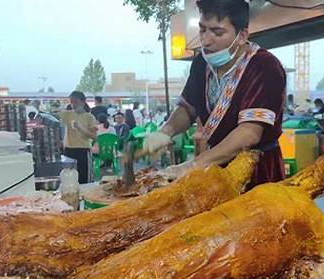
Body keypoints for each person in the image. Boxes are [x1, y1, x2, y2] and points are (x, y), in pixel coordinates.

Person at [135, 0, 286, 187]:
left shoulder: (264, 66)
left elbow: (249, 133)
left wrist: (194, 165)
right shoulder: (201, 64)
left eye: (217, 32)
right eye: (202, 30)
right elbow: (188, 108)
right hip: (215, 167)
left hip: (258, 172)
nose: (205, 40)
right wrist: (166, 131)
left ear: (242, 35)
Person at [58, 91, 98, 184]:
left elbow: (95, 137)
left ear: (83, 102)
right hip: (68, 150)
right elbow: (53, 122)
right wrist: (58, 140)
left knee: (84, 180)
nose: (73, 104)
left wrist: (81, 128)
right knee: (68, 179)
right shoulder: (67, 114)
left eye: (76, 102)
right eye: (71, 102)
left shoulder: (90, 117)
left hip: (83, 151)